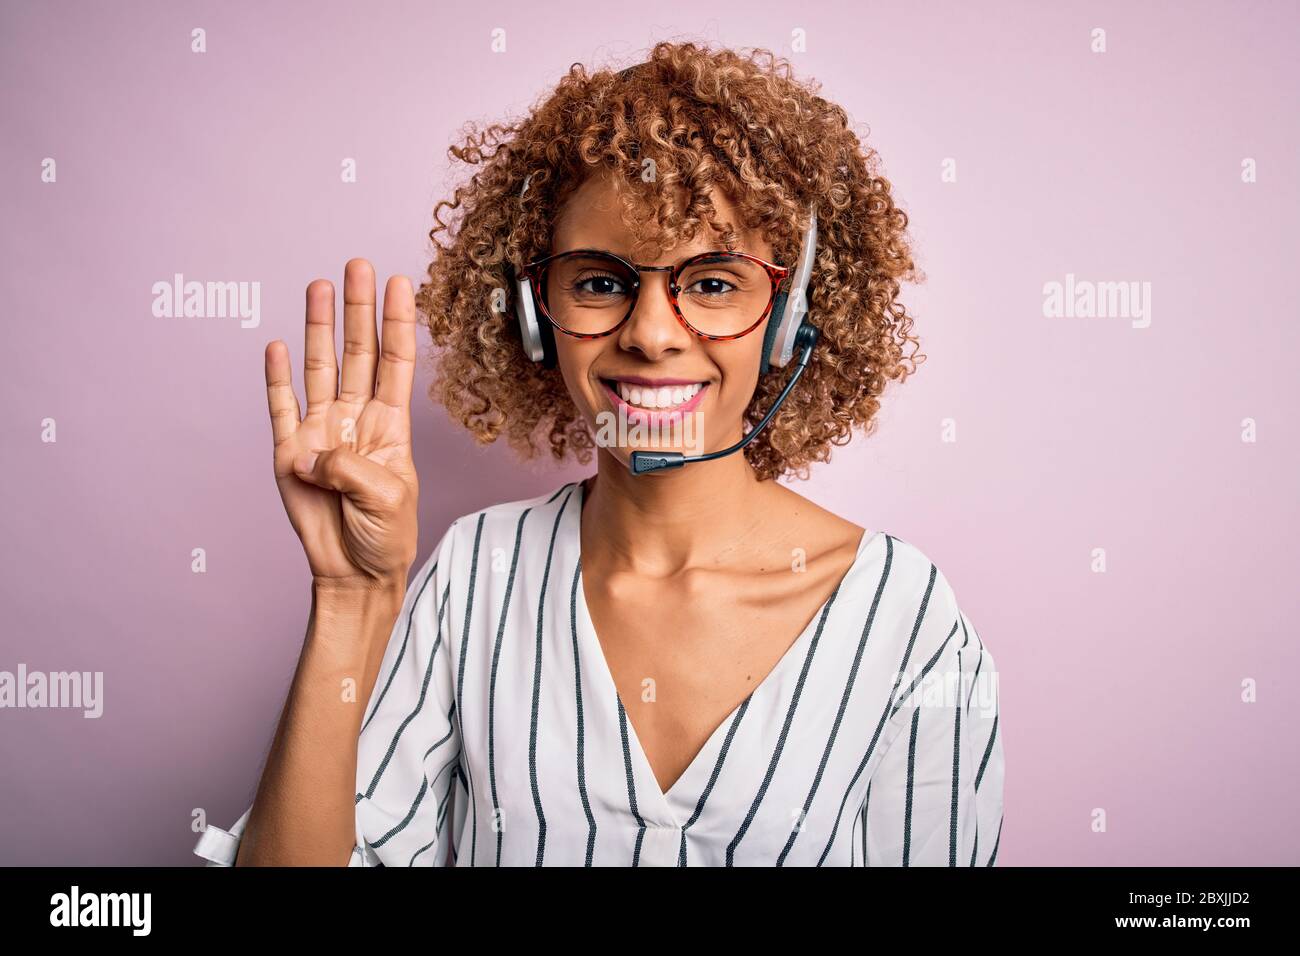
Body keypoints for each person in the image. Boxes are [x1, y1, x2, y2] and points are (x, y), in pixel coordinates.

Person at [193, 41, 1004, 868]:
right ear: (535, 315)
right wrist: (350, 598)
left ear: (791, 317)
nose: (652, 334)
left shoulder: (906, 621)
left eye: (716, 282)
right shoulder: (476, 574)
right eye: (601, 282)